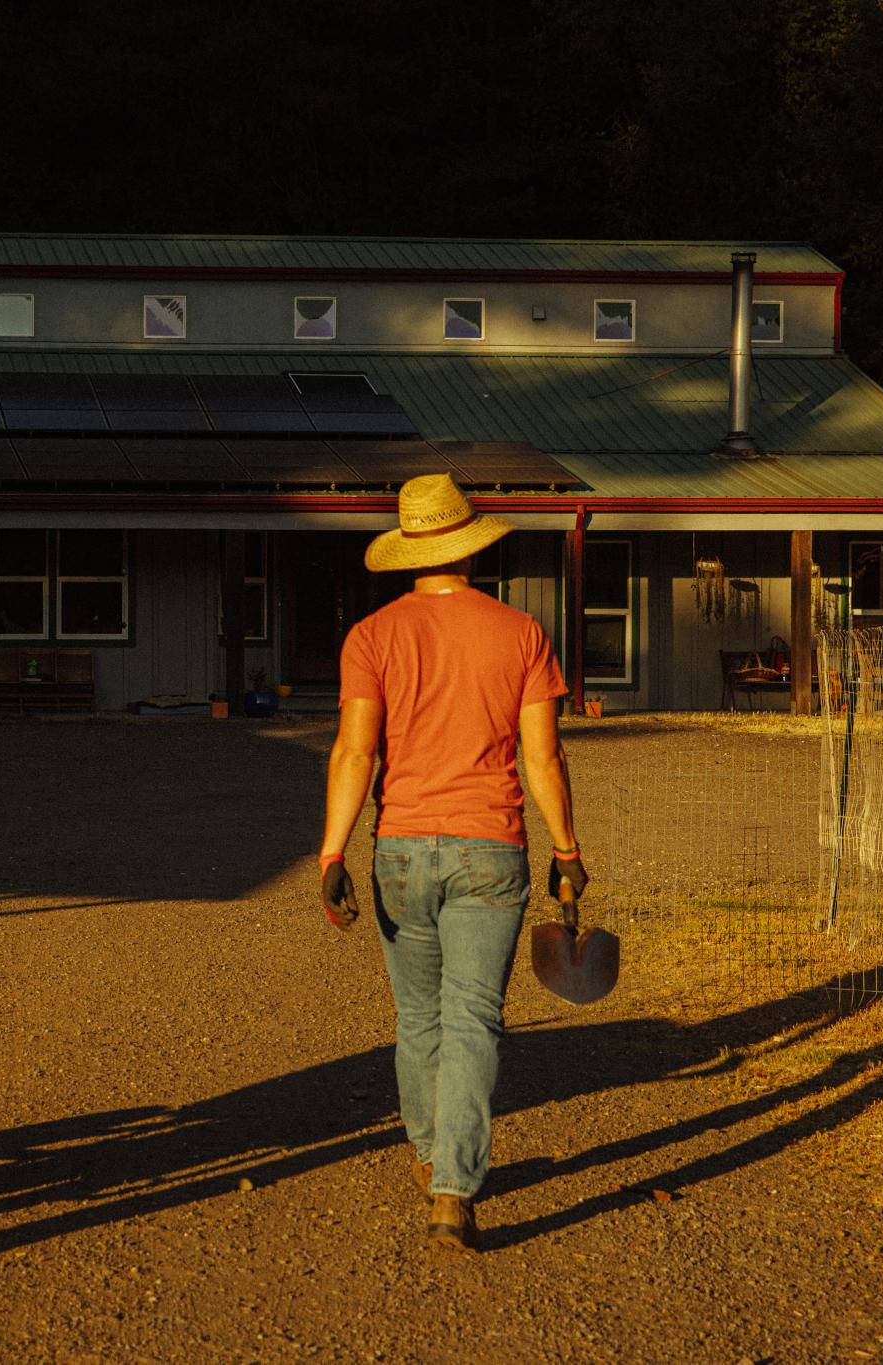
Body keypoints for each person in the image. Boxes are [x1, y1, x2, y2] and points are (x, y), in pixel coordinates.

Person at [316, 473, 589, 1254]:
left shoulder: (371, 637)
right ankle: (453, 1189)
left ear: (410, 554)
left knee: (419, 1018)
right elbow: (544, 756)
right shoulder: (521, 633)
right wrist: (566, 848)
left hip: (401, 848)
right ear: (470, 546)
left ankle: (435, 1148)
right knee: (475, 1017)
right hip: (491, 849)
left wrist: (333, 852)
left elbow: (355, 750)